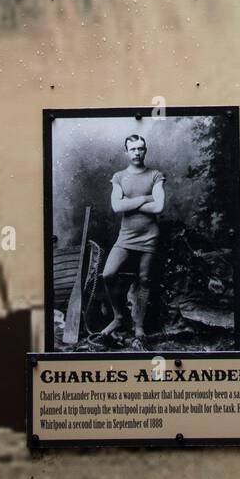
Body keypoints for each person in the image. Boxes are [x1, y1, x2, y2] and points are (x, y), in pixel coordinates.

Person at [101, 133, 165, 341]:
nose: (137, 153)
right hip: (126, 237)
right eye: (133, 149)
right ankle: (119, 316)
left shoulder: (155, 175)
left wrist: (131, 201)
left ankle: (138, 326)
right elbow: (117, 206)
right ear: (126, 152)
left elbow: (159, 206)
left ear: (145, 150)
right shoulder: (119, 177)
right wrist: (147, 197)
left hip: (149, 237)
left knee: (145, 279)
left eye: (140, 148)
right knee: (108, 274)